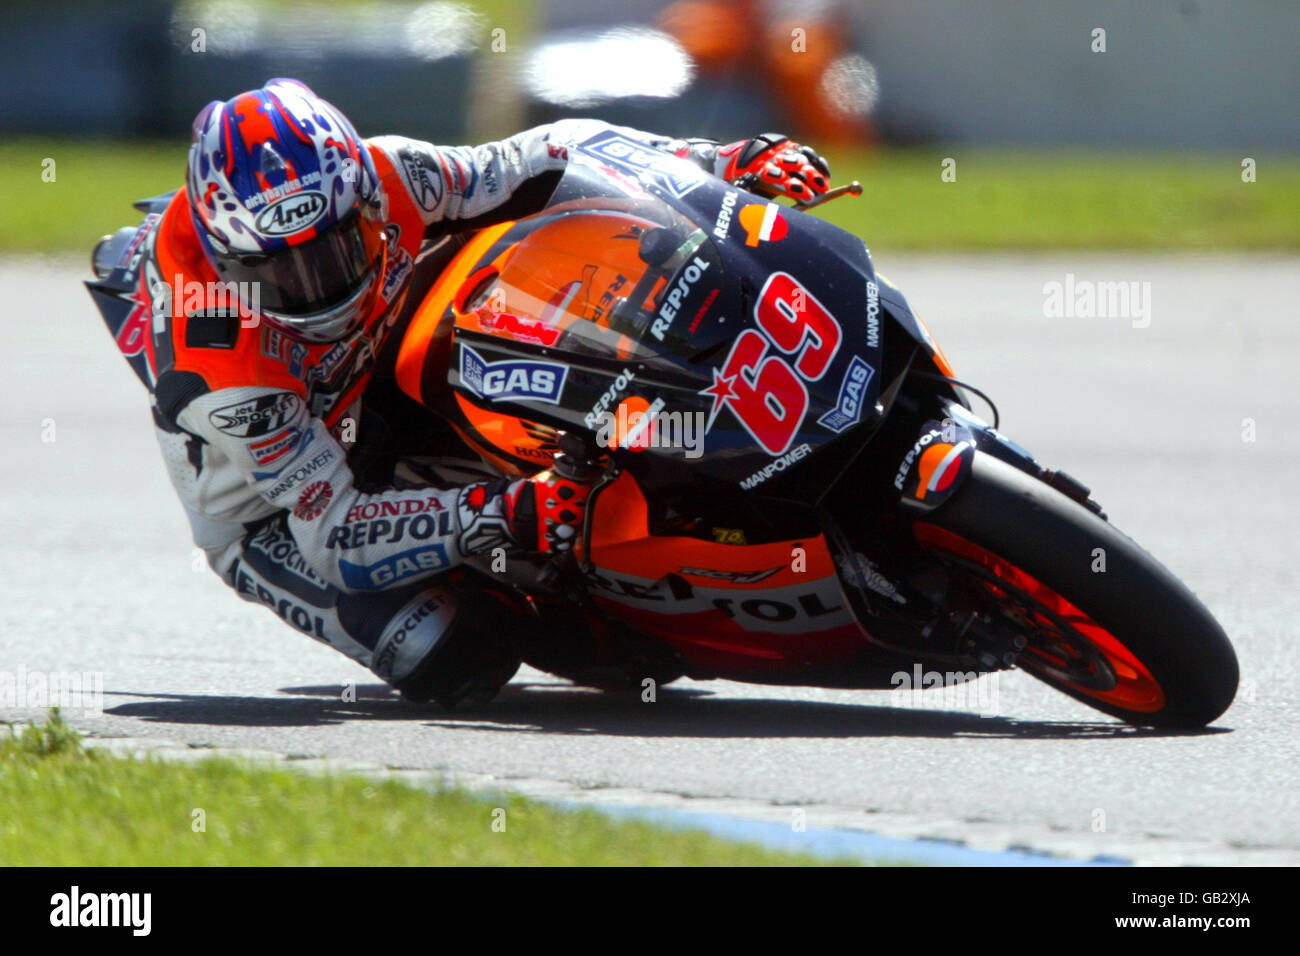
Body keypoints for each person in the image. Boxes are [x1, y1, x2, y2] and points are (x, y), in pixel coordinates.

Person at [114, 77, 831, 707]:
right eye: (284, 274)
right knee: (451, 653)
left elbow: (553, 154)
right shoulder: (223, 371)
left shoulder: (391, 173)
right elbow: (331, 535)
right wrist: (510, 512)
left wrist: (716, 161)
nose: (317, 288)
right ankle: (544, 584)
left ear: (362, 197)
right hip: (279, 509)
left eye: (336, 249)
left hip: (386, 374)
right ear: (228, 263)